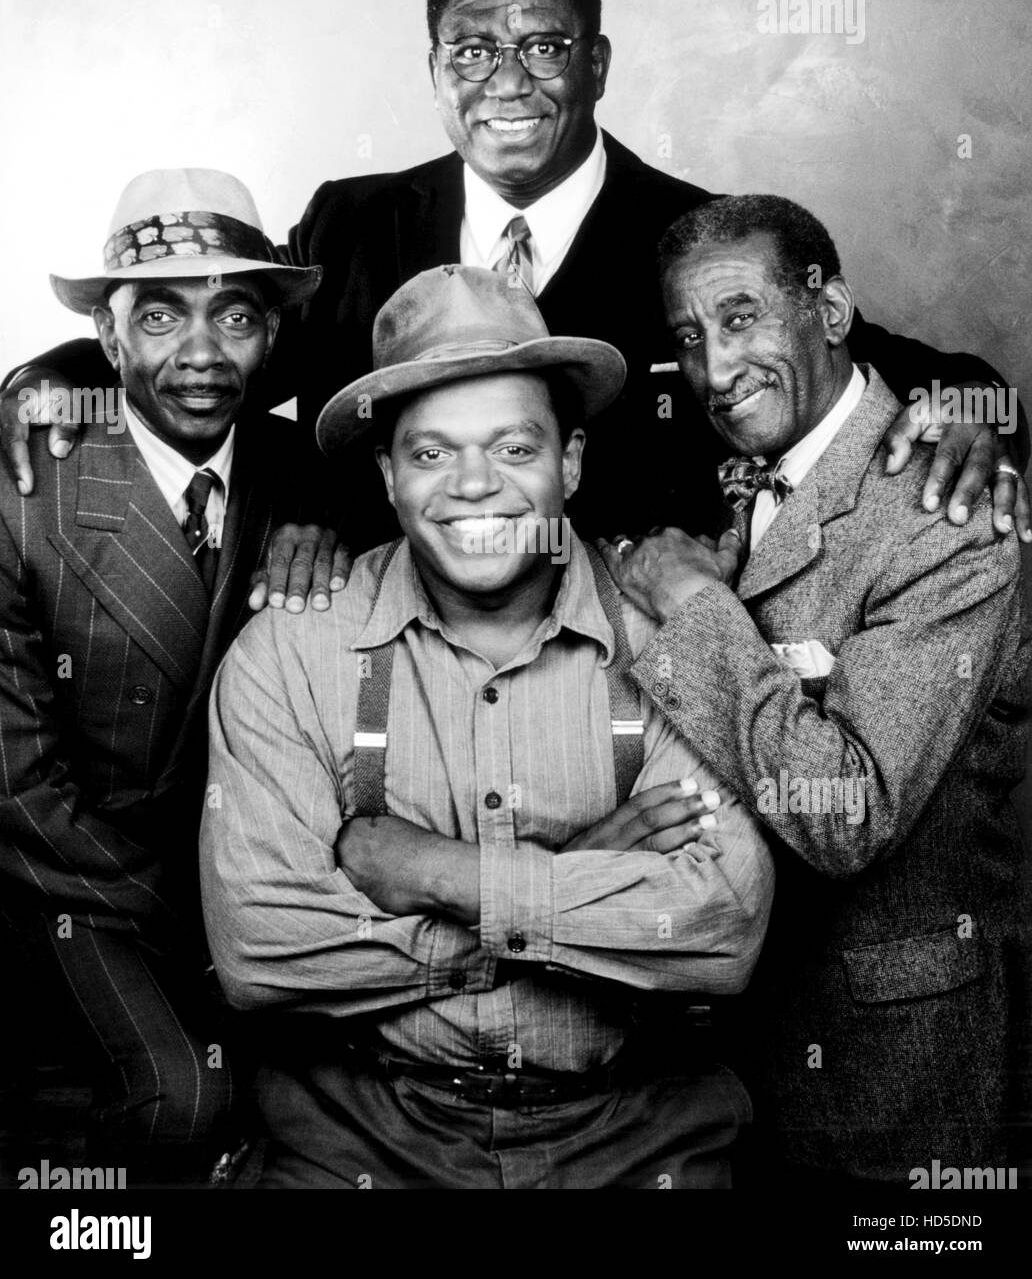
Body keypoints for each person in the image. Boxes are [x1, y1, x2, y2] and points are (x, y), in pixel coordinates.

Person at [1, 0, 1027, 606]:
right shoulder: (352, 223)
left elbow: (852, 358)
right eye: (472, 49)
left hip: (631, 668)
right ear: (434, 70)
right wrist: (52, 377)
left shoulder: (695, 240)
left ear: (598, 63)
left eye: (542, 45)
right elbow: (211, 351)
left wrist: (975, 406)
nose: (506, 81)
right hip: (388, 652)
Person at [200, 264, 774, 1190]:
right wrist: (576, 874)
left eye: (513, 448)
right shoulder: (291, 650)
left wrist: (431, 873)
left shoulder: (669, 636)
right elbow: (261, 952)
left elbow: (721, 930)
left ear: (571, 462)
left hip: (635, 1132)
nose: (474, 486)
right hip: (361, 1132)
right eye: (432, 455)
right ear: (387, 475)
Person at [602, 194, 1030, 1187]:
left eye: (741, 318)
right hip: (722, 1068)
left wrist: (695, 607)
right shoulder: (730, 480)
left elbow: (848, 814)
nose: (714, 370)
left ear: (831, 312)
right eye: (689, 337)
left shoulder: (945, 516)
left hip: (898, 1077)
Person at [0, 168, 322, 1187]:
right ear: (106, 336)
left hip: (249, 874)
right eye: (158, 316)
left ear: (272, 334)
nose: (201, 353)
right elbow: (18, 792)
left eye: (235, 315)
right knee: (184, 1097)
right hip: (70, 883)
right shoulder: (23, 487)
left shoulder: (305, 474)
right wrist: (195, 918)